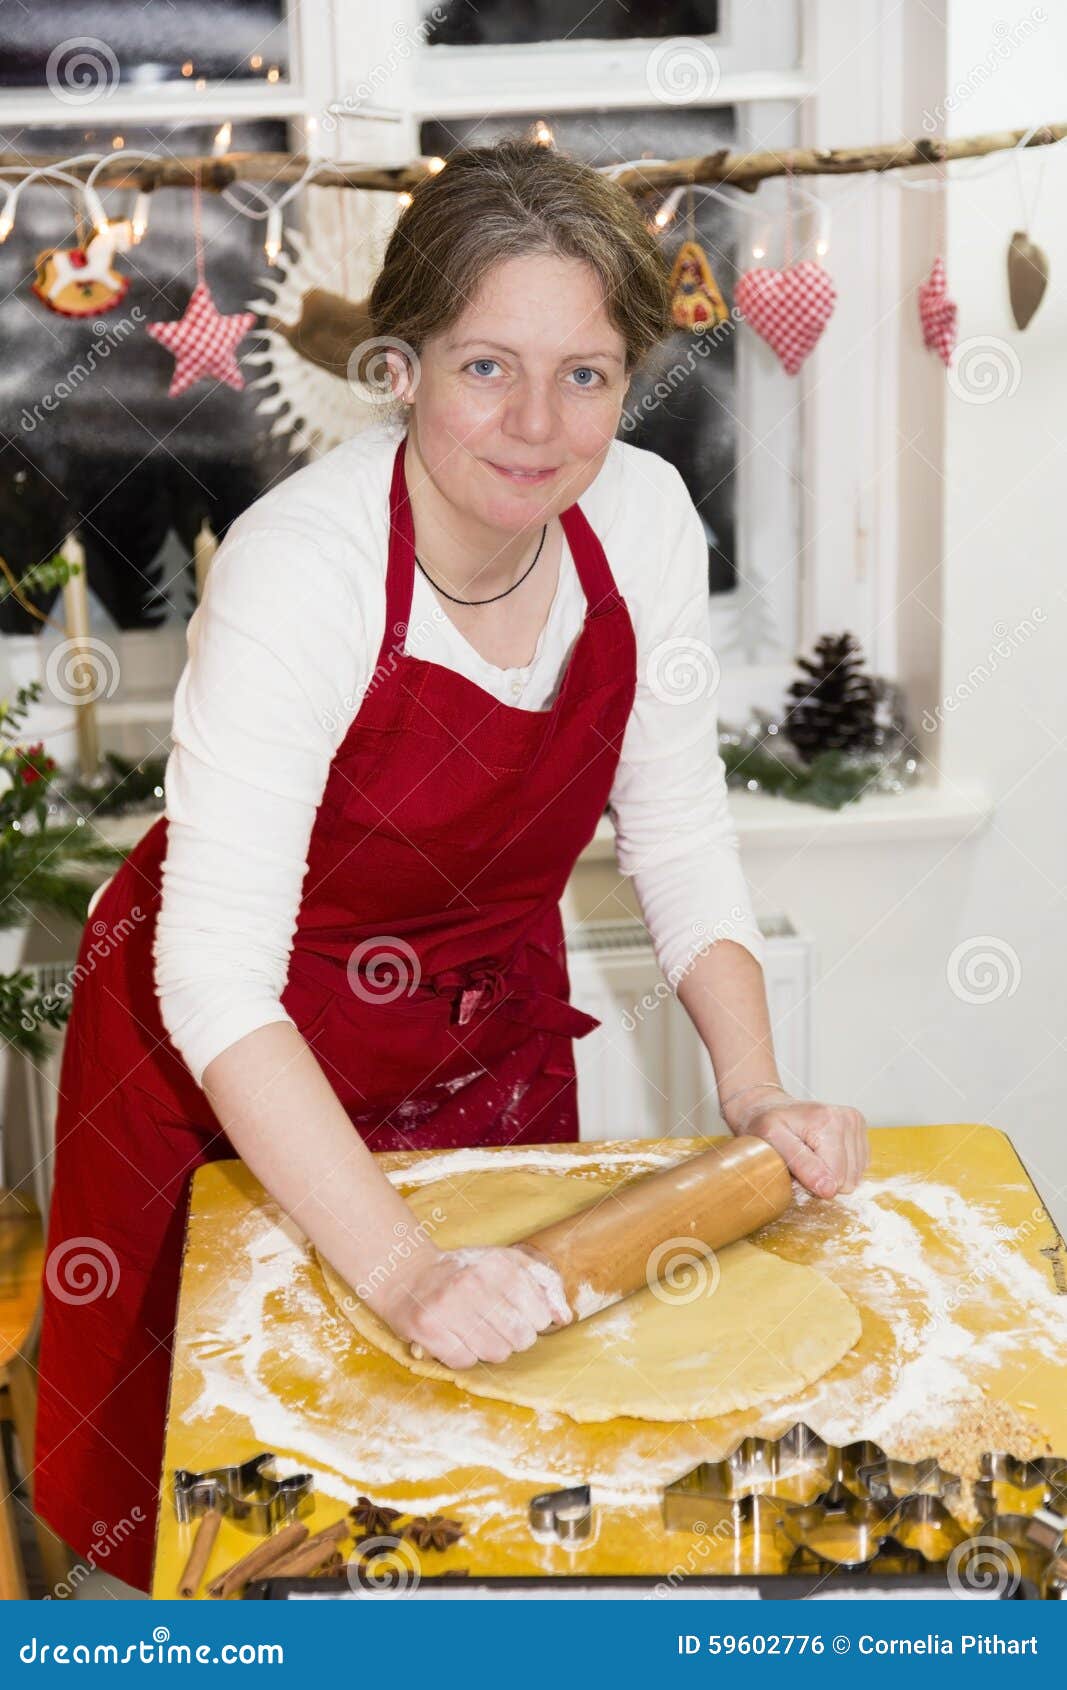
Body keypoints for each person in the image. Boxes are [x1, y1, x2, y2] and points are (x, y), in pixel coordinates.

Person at [33, 138, 868, 1591]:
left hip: (481, 1031)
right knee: (242, 1526)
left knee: (486, 1487)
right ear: (401, 365)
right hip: (224, 1062)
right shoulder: (308, 568)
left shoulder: (646, 524)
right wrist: (405, 1266)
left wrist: (756, 1093)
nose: (539, 424)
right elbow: (216, 974)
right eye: (488, 366)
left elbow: (674, 833)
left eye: (588, 374)